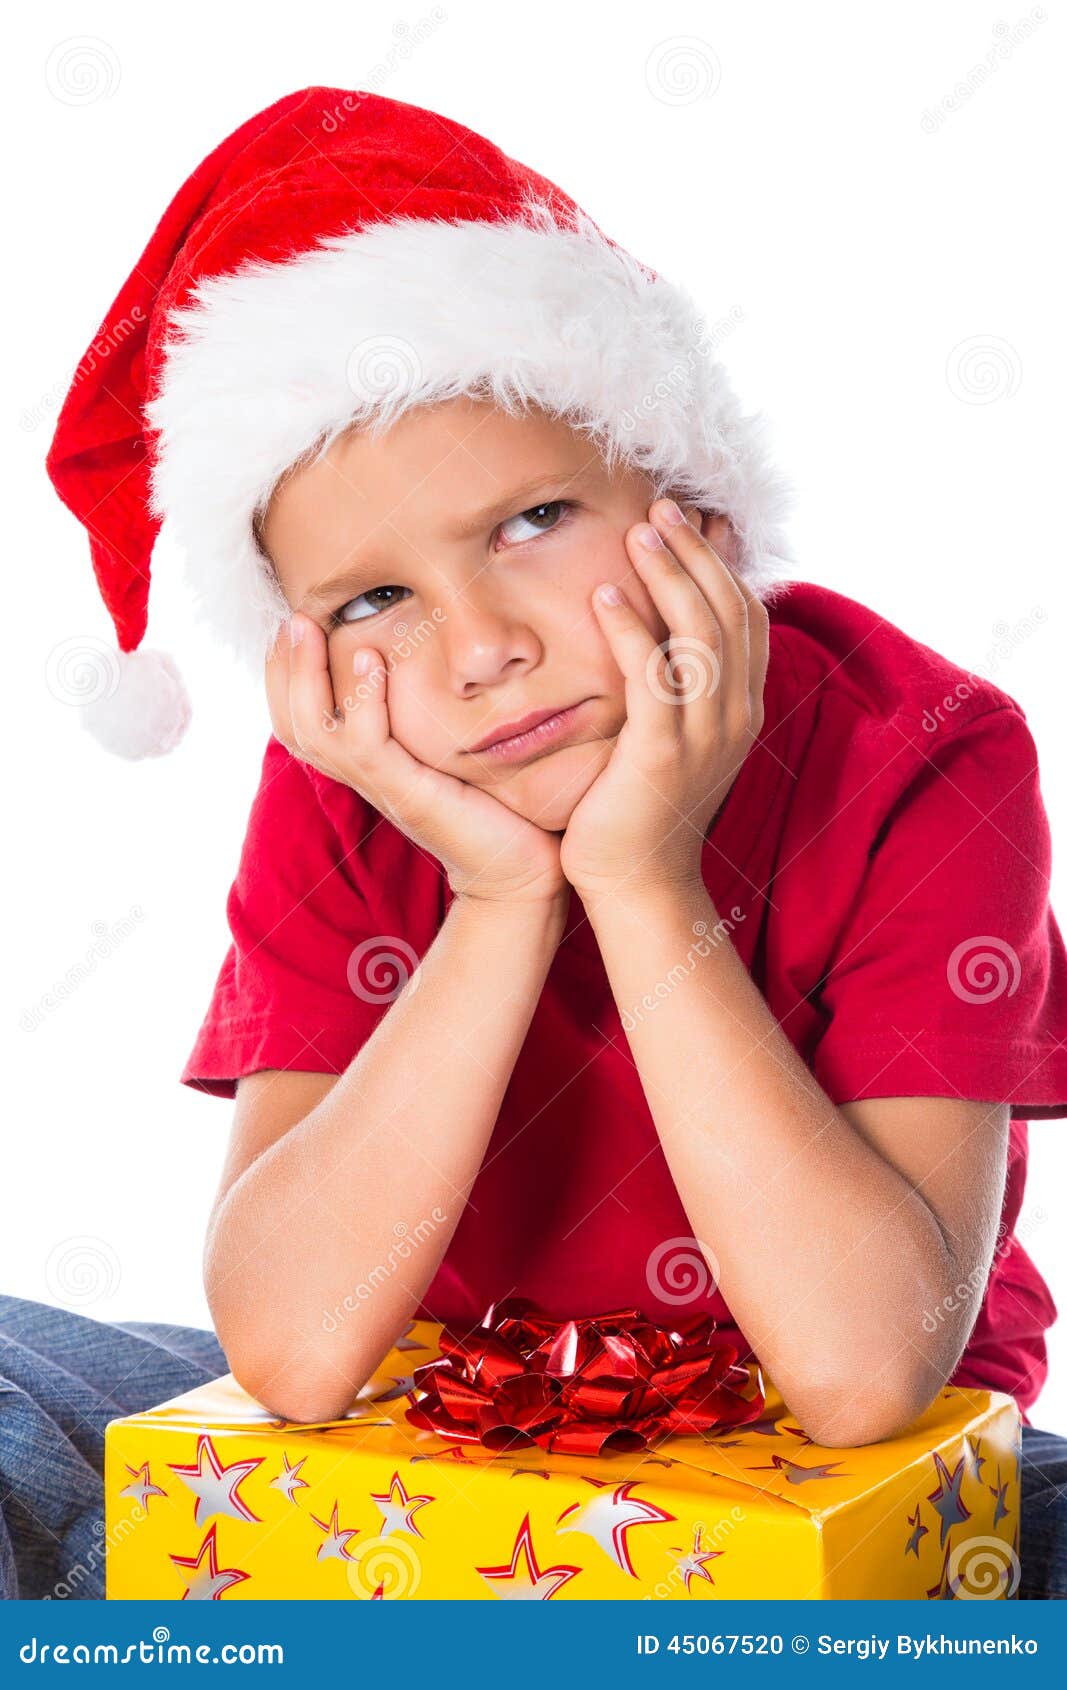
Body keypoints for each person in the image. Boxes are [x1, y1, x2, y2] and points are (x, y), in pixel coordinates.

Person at [5, 84, 1063, 1600]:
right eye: (375, 600)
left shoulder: (926, 749)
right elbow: (300, 1350)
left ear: (688, 504)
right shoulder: (362, 777)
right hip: (435, 1432)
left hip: (844, 1475)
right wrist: (501, 895)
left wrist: (640, 877)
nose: (479, 650)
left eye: (530, 519)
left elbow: (858, 1374)